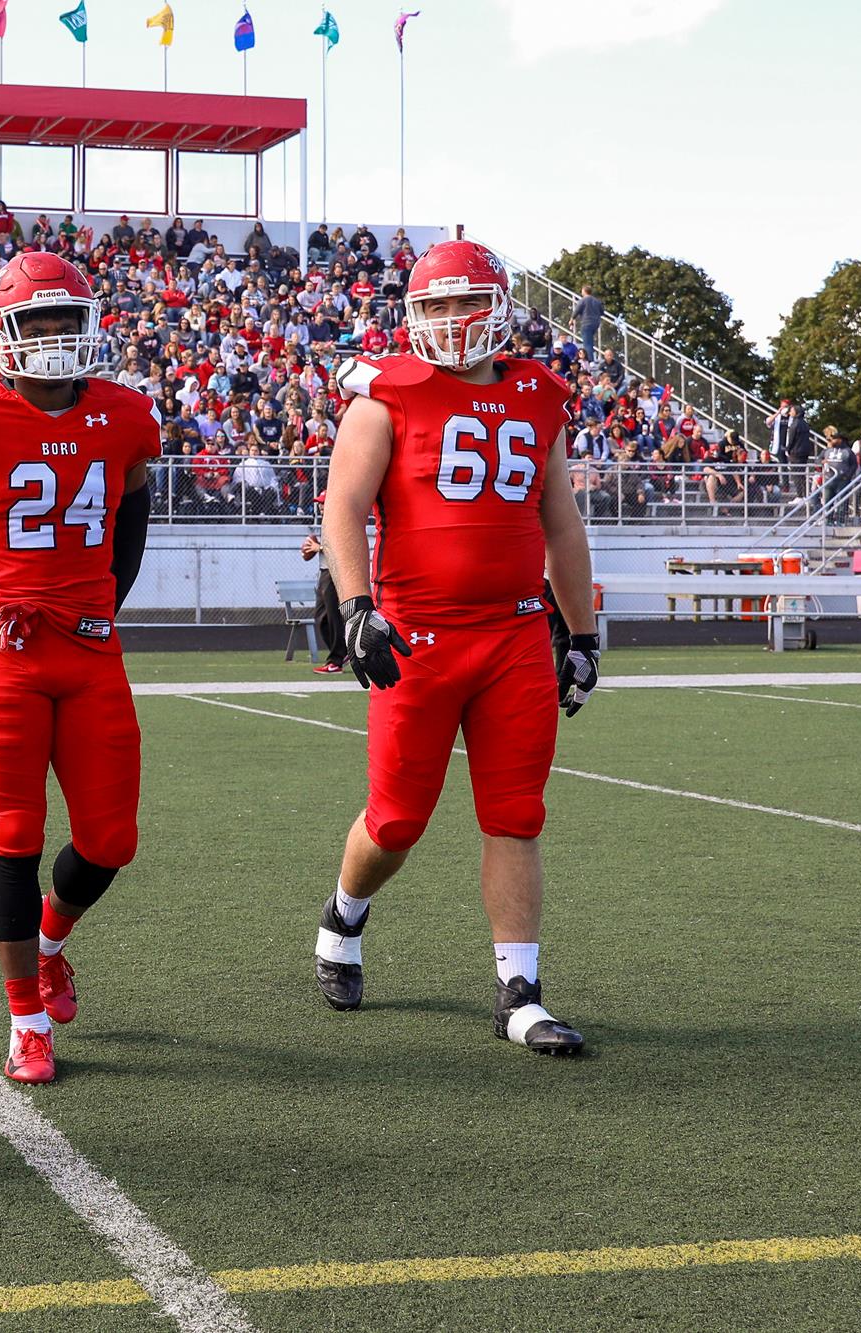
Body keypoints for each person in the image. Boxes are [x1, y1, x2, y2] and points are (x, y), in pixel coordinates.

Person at [315, 240, 597, 1056]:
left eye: (464, 302)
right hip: (417, 634)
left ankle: (521, 992)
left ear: (500, 307)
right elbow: (344, 506)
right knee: (397, 820)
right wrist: (359, 605)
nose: (449, 320)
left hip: (512, 634)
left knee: (516, 815)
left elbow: (562, 527)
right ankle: (344, 916)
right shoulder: (386, 395)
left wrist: (581, 632)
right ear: (412, 317)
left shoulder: (541, 396)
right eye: (434, 306)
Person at [0, 251, 159, 1085]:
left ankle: (50, 945)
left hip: (89, 646)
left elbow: (131, 532)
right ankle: (24, 1021)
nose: (53, 336)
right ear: (1, 335)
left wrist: (94, 612)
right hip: (8, 649)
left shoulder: (125, 414)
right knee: (14, 835)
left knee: (111, 839)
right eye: (36, 321)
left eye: (65, 319)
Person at [299, 532, 347, 673]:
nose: (321, 507)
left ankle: (336, 660)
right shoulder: (326, 522)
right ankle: (342, 651)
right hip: (324, 572)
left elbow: (340, 548)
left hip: (334, 572)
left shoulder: (339, 518)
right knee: (321, 617)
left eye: (324, 506)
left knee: (333, 616)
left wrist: (318, 547)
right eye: (320, 506)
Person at [571, 284, 604, 363]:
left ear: (584, 291)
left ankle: (590, 360)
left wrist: (572, 319)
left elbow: (577, 310)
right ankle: (591, 357)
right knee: (590, 341)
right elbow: (602, 312)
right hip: (596, 323)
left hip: (586, 323)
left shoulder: (583, 300)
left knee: (587, 343)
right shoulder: (597, 301)